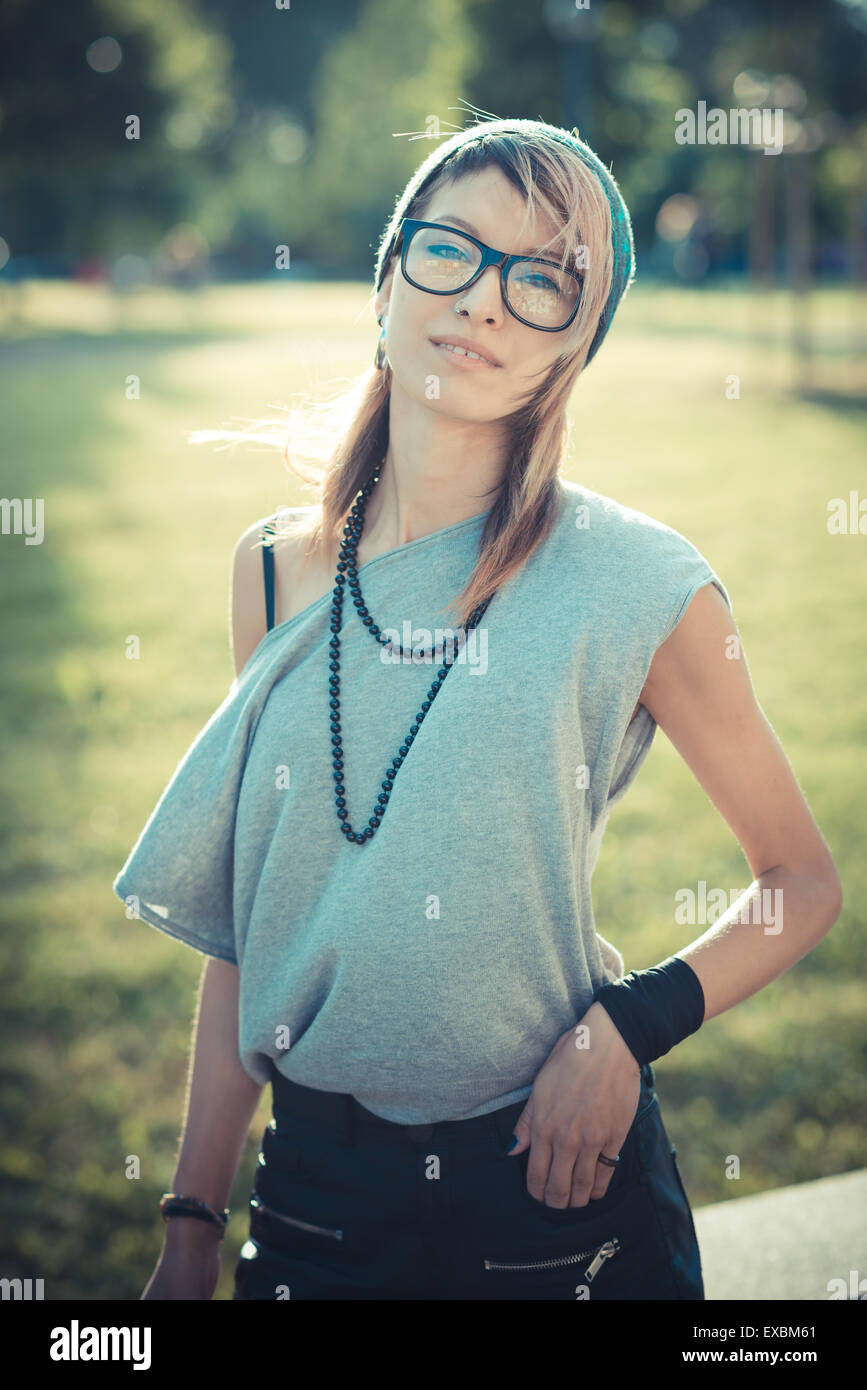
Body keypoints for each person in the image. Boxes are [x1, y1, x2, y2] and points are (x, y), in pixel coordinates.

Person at [114, 115, 842, 1301]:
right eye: (453, 250)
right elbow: (258, 923)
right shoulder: (270, 572)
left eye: (545, 280)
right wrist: (191, 1221)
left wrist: (629, 1024)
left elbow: (801, 882)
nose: (488, 303)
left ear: (576, 343)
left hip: (553, 1192)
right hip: (318, 1196)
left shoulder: (644, 582)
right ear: (390, 275)